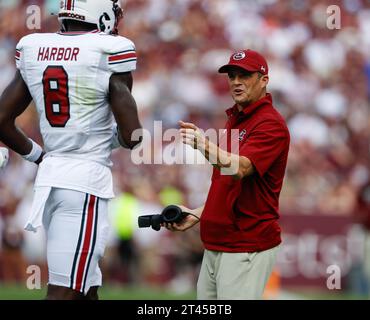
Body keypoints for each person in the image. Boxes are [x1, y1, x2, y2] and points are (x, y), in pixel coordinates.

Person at [0, 0, 142, 300]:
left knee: (86, 289)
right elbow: (133, 135)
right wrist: (110, 139)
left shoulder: (33, 47)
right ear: (101, 13)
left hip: (51, 179)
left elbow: (2, 121)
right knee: (63, 292)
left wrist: (38, 156)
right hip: (85, 182)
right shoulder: (109, 51)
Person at [164, 49, 290, 299]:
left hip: (246, 244)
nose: (236, 82)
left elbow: (240, 168)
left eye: (244, 75)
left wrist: (203, 144)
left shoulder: (270, 123)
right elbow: (227, 186)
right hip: (217, 244)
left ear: (264, 80)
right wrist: (198, 214)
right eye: (232, 76)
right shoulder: (236, 119)